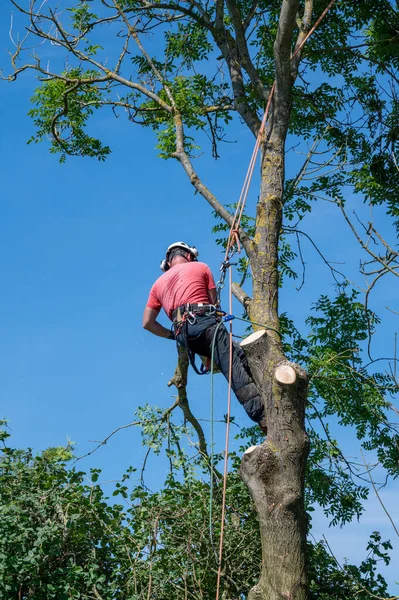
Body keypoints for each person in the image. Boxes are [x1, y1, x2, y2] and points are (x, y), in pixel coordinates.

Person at [142, 241, 266, 432]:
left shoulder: (157, 284)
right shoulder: (200, 267)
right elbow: (213, 302)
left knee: (240, 354)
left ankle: (261, 394)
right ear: (190, 256)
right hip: (205, 323)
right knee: (231, 364)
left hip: (184, 335)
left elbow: (147, 323)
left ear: (167, 263)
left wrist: (173, 337)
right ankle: (262, 415)